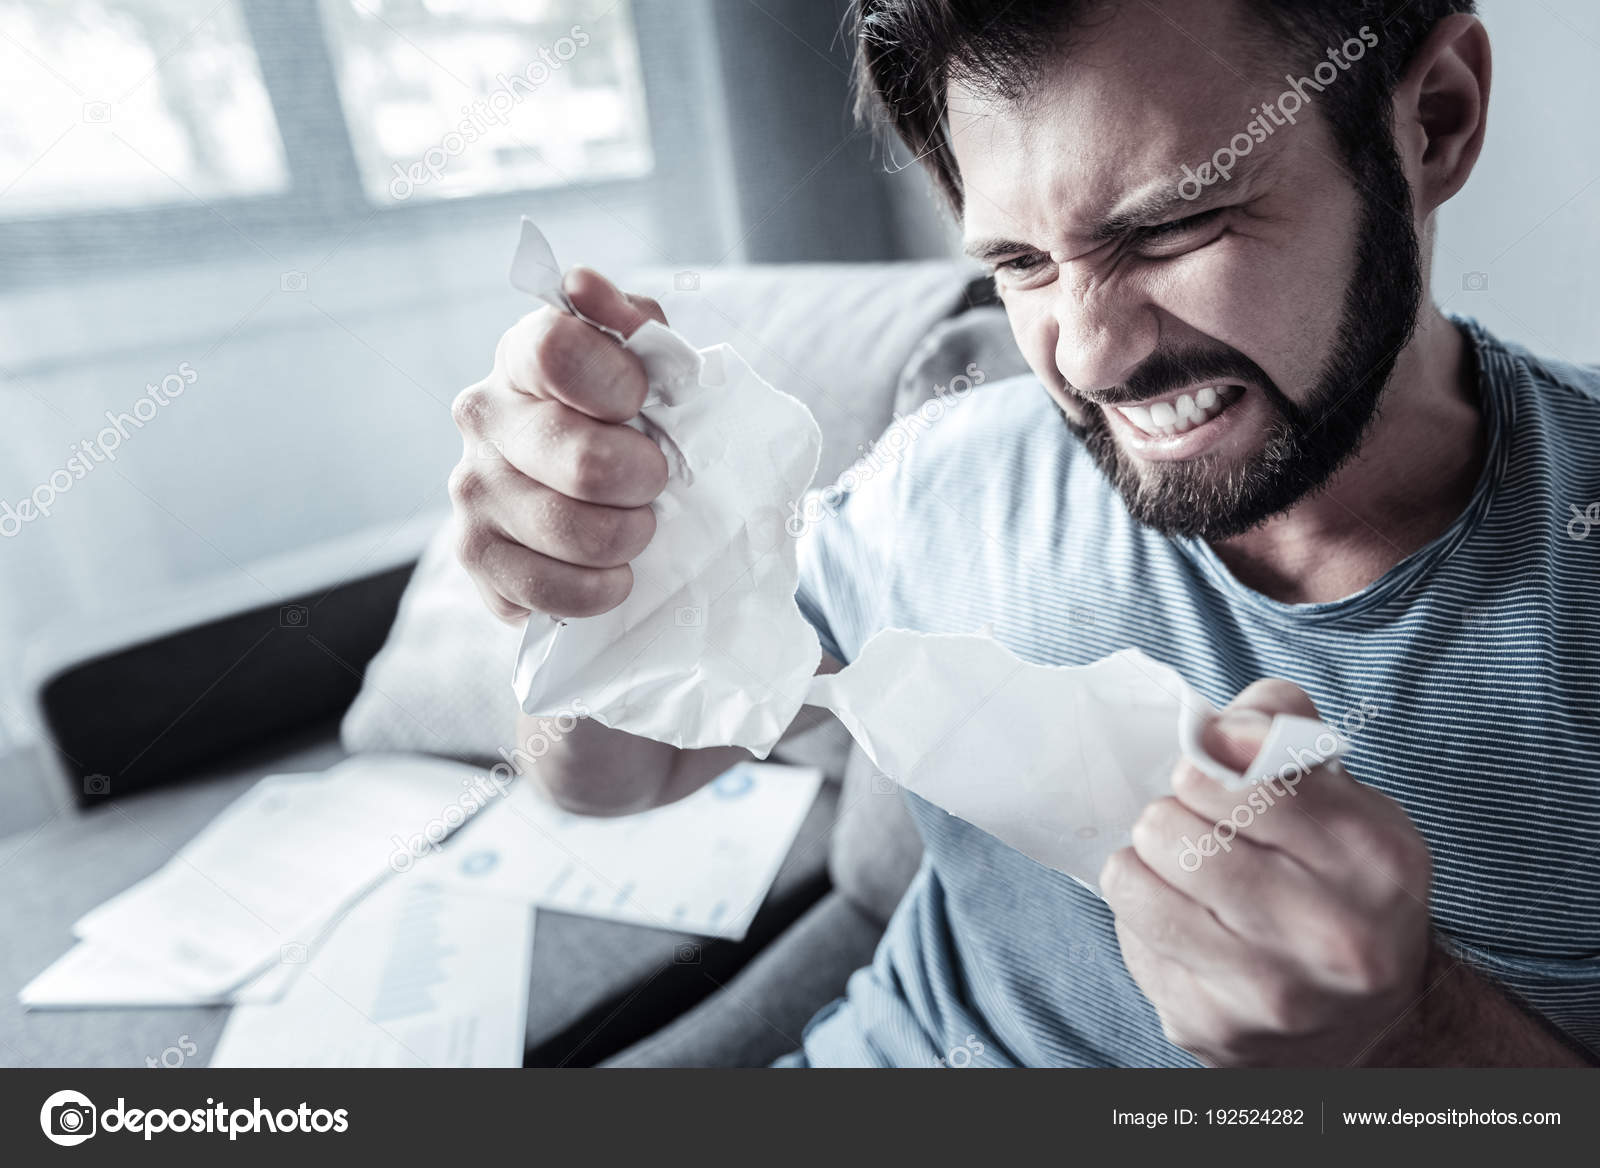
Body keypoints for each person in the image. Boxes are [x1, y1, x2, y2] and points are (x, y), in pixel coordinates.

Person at [446, 0, 1599, 1066]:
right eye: (1020, 263)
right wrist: (595, 598)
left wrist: (1406, 1034)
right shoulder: (946, 475)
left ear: (1434, 121)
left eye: (1175, 227)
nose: (1087, 361)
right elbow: (612, 775)